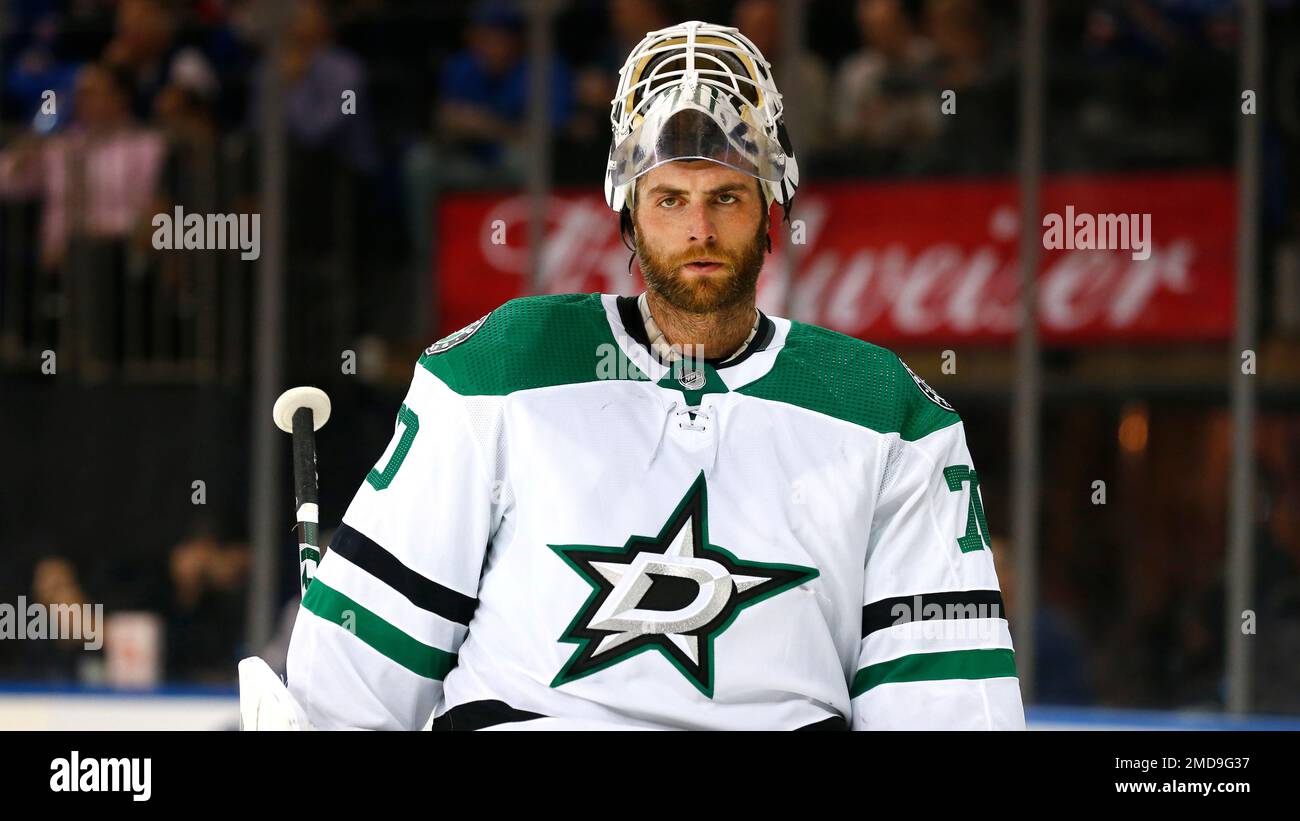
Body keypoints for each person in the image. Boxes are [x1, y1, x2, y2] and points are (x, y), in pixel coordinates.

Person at [282, 20, 1024, 730]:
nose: (699, 230)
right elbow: (351, 686)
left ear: (772, 209)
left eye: (726, 197)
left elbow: (947, 704)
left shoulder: (887, 411)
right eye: (671, 199)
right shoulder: (498, 370)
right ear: (628, 213)